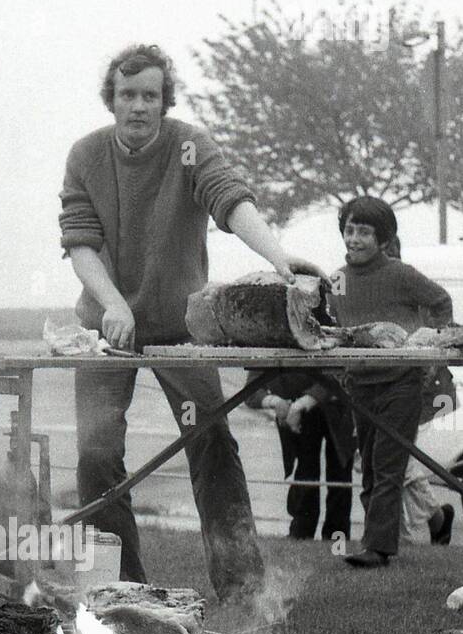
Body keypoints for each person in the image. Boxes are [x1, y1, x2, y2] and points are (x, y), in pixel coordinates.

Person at [58, 43, 322, 601]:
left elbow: (231, 202)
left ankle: (242, 591)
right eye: (127, 94)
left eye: (149, 95)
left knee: (212, 441)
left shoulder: (190, 145)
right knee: (97, 456)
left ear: (164, 100)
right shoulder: (85, 155)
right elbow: (81, 245)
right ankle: (122, 591)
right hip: (106, 330)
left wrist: (280, 261)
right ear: (112, 99)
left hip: (182, 329)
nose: (138, 106)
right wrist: (113, 304)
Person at [326, 197, 453, 567]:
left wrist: (430, 347)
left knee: (388, 464)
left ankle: (378, 549)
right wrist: (341, 372)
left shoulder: (401, 274)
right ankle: (430, 522)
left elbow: (441, 301)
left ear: (383, 239)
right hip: (360, 386)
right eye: (349, 230)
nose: (354, 239)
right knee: (368, 464)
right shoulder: (336, 280)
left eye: (364, 232)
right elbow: (333, 329)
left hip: (402, 383)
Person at [247, 371, 354, 541]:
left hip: (335, 407)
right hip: (298, 411)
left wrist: (305, 402)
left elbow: (339, 374)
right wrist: (276, 402)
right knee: (305, 470)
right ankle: (301, 533)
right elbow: (251, 390)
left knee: (340, 474)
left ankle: (337, 538)